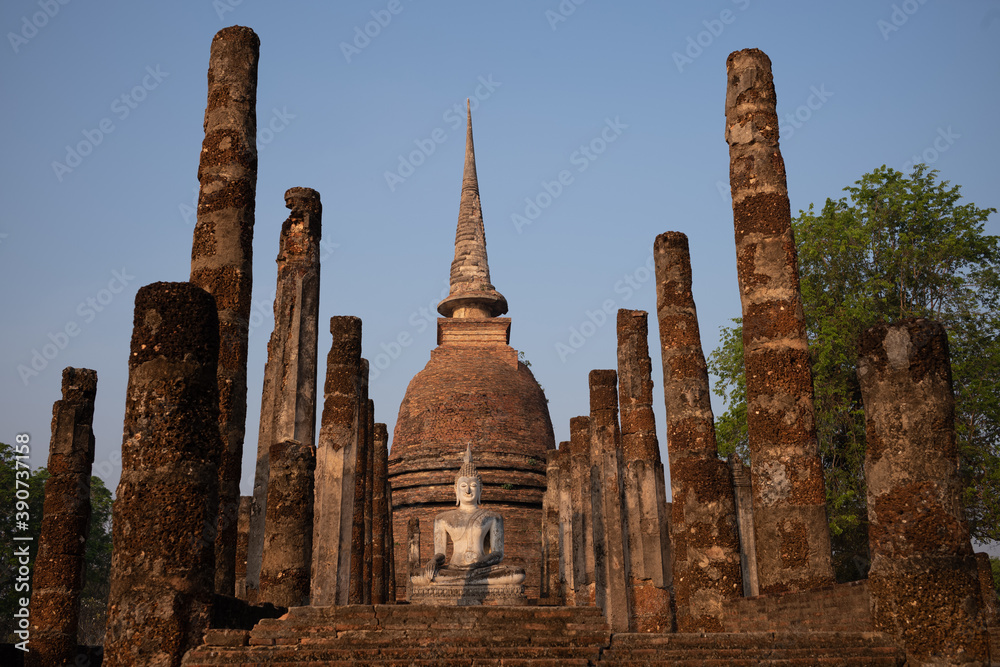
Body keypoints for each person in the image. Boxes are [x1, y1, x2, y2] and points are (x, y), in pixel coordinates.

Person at [415, 444, 524, 586]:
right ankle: (462, 580)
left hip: (481, 568)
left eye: (473, 486)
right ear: (455, 489)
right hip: (454, 568)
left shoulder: (493, 517)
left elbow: (498, 554)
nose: (468, 491)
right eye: (463, 486)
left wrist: (476, 565)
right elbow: (441, 555)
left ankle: (460, 581)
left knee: (517, 574)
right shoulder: (442, 519)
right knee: (418, 576)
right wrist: (433, 561)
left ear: (480, 489)